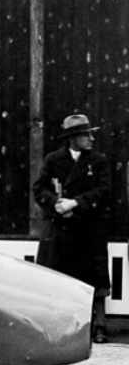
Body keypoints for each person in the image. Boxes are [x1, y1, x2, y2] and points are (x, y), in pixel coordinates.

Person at [32, 113, 113, 343]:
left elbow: (104, 191)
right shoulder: (53, 160)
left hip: (89, 229)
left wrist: (75, 203)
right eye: (86, 135)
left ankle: (99, 325)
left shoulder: (98, 161)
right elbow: (39, 189)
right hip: (60, 229)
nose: (91, 139)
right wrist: (56, 204)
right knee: (57, 278)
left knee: (94, 279)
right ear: (72, 138)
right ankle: (58, 326)